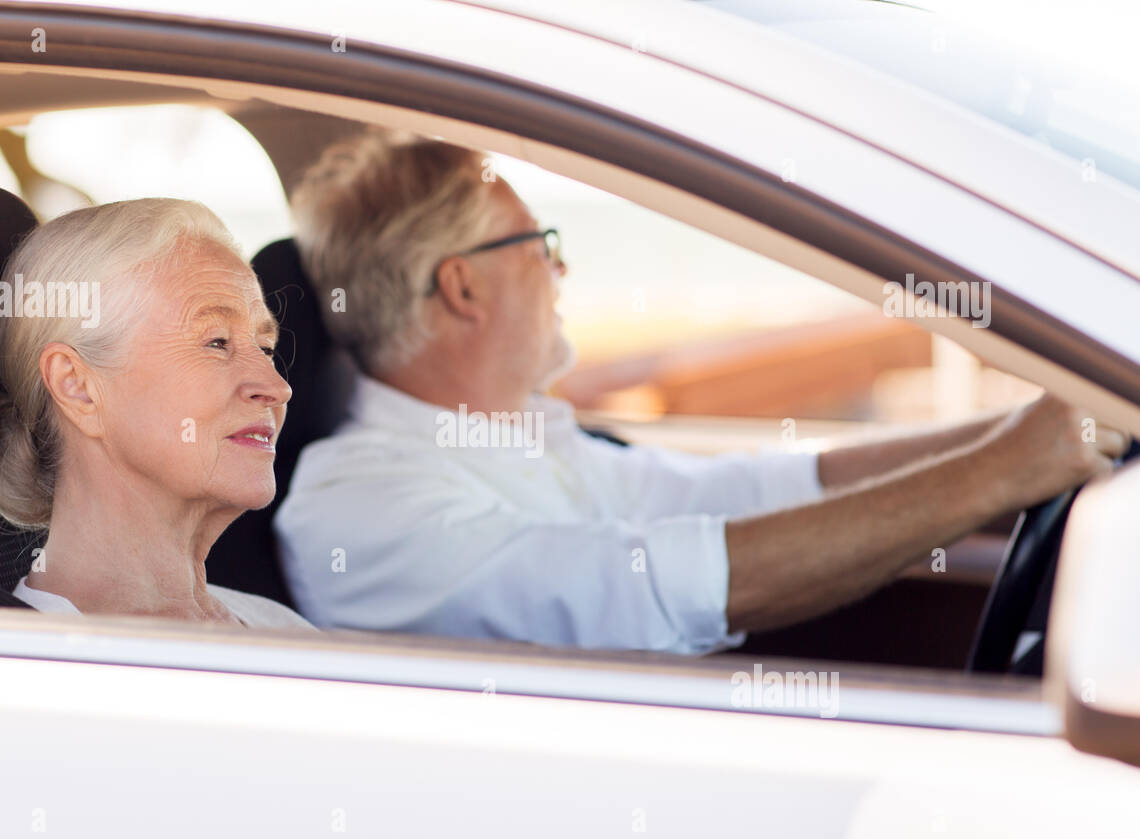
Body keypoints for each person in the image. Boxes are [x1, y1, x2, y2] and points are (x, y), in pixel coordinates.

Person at [274, 134, 1127, 653]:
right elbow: (663, 584)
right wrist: (999, 473)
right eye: (540, 243)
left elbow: (747, 493)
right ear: (462, 288)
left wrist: (1015, 435)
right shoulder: (357, 506)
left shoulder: (523, 439)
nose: (561, 268)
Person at [0, 198, 312, 630]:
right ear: (77, 387)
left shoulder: (278, 625)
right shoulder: (32, 676)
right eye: (216, 342)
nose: (276, 387)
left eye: (265, 349)